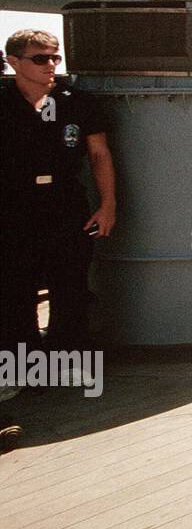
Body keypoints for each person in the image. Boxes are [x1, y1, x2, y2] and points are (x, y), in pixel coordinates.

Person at [1, 29, 117, 413]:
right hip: (12, 209)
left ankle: (67, 364)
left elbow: (99, 155)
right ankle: (20, 371)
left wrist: (107, 204)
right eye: (40, 58)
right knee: (13, 293)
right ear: (13, 62)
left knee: (70, 288)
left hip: (65, 206)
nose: (51, 65)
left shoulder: (76, 102)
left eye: (55, 58)